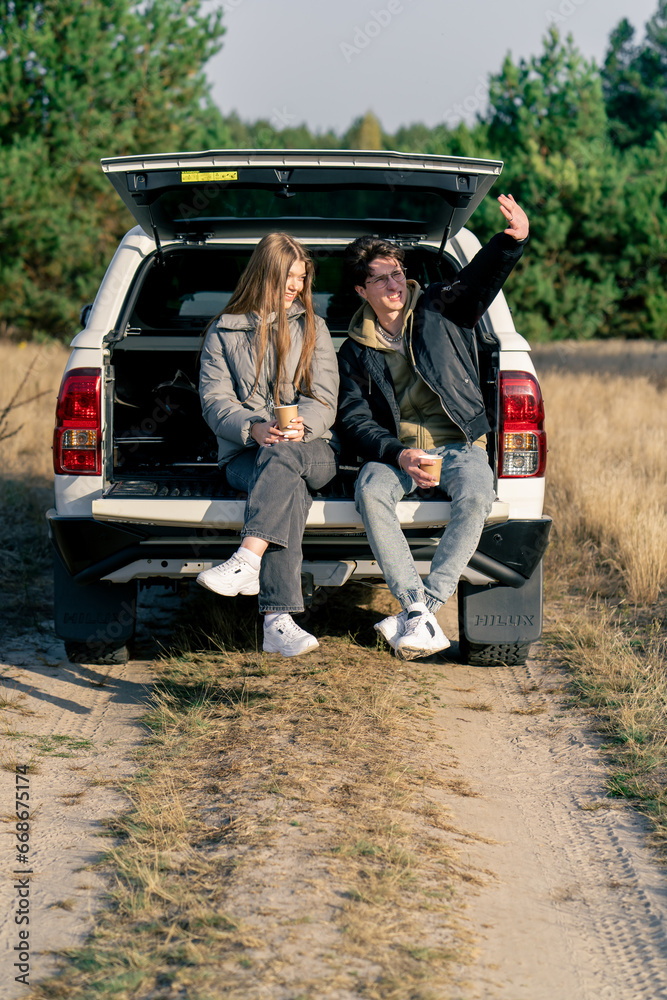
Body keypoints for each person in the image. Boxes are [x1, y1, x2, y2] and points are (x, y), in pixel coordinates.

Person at [336, 194, 529, 660]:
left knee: (479, 494)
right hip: (402, 453)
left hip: (460, 444)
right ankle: (413, 606)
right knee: (370, 490)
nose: (394, 284)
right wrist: (397, 453)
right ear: (362, 291)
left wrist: (511, 241)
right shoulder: (353, 351)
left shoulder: (443, 306)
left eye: (397, 273)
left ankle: (425, 609)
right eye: (380, 279)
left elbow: (480, 281)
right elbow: (354, 417)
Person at [197, 232, 339, 657]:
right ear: (265, 274)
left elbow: (326, 399)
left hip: (313, 449)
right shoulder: (222, 331)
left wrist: (301, 426)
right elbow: (214, 400)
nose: (296, 286)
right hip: (247, 456)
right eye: (288, 277)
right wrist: (253, 426)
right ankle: (278, 622)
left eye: (301, 277)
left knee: (285, 455)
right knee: (287, 487)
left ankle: (247, 558)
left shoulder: (313, 326)